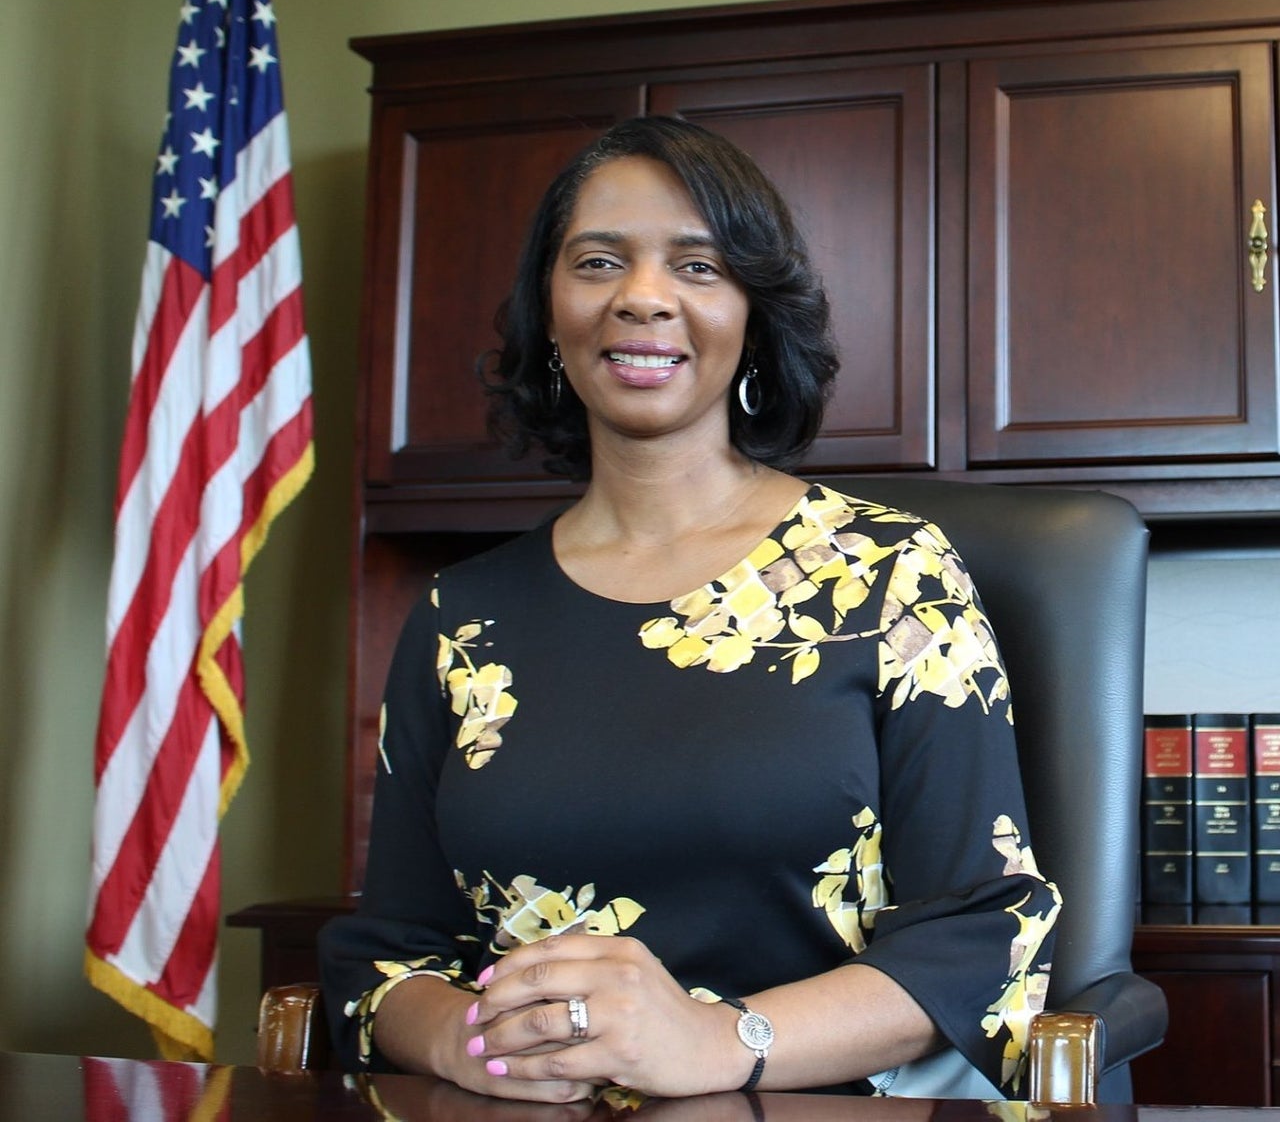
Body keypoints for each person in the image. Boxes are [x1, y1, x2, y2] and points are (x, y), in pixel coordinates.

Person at [318, 116, 1061, 1104]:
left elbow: (982, 933)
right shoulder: (462, 614)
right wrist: (463, 1040)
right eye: (596, 260)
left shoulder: (890, 576)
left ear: (752, 312)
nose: (641, 296)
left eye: (698, 266)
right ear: (548, 308)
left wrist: (717, 1040)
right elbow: (388, 952)